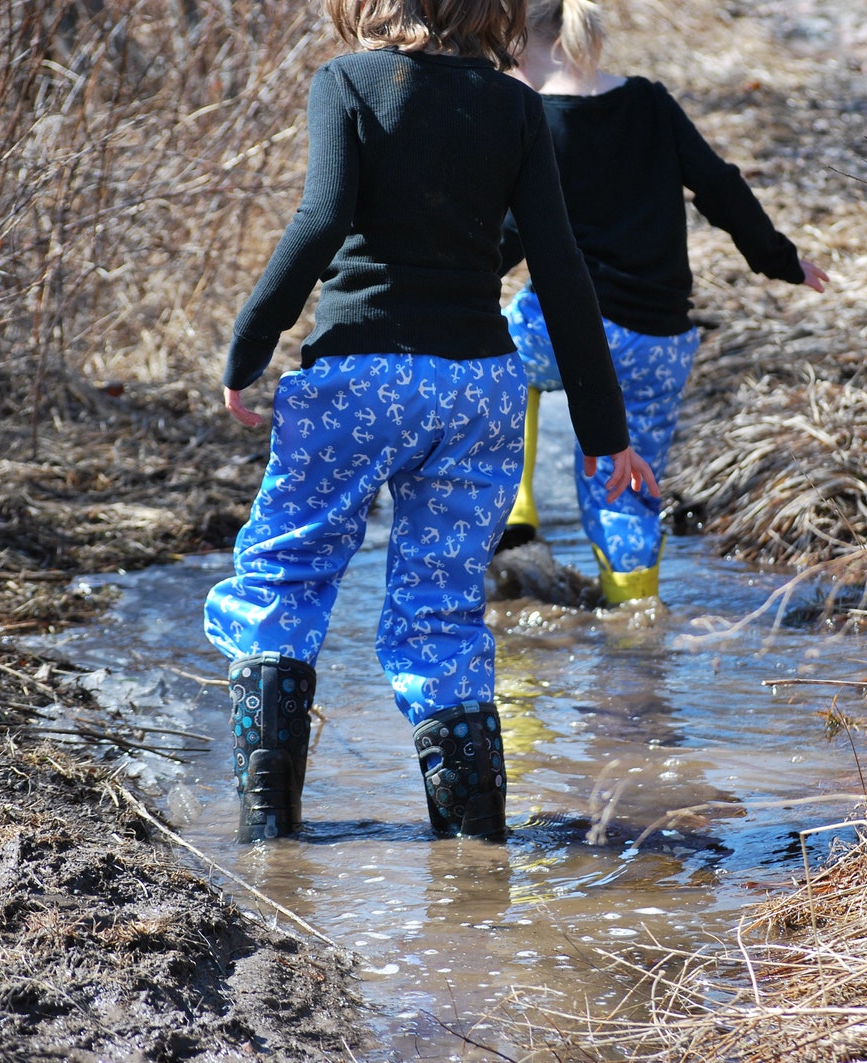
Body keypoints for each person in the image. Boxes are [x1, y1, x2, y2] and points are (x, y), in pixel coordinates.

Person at [202, 0, 658, 844]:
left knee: (287, 574)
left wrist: (248, 348)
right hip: (476, 386)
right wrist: (606, 433)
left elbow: (321, 218)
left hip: (358, 375)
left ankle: (270, 830)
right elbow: (559, 268)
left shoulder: (346, 81)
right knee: (443, 608)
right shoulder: (516, 104)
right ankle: (476, 849)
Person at [497, 0, 829, 603]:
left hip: (565, 329)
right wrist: (780, 260)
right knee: (626, 481)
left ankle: (514, 507)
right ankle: (633, 626)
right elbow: (718, 183)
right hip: (659, 340)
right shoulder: (649, 100)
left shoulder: (530, 118)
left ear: (518, 47)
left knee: (497, 347)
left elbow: (512, 231)